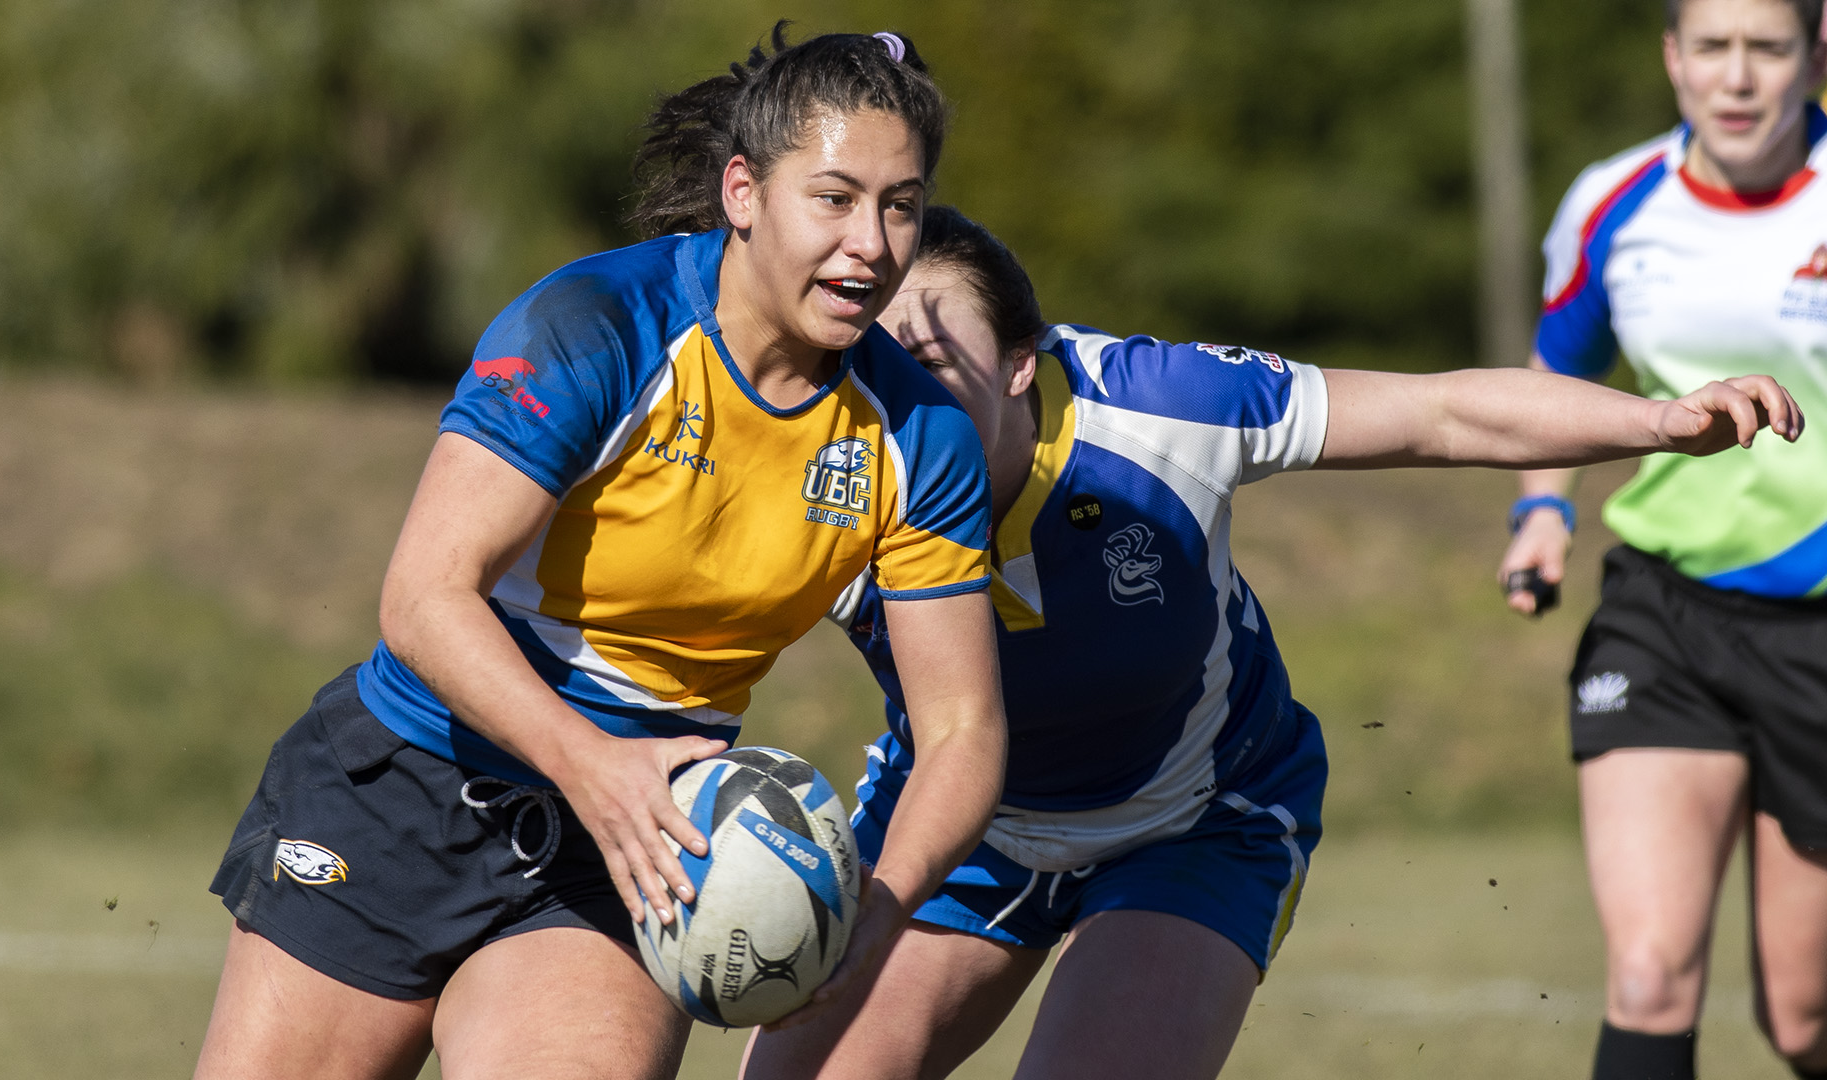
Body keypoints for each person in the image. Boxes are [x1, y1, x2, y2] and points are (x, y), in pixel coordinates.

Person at [740, 204, 1804, 1080]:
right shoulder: (820, 473)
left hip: (1198, 819)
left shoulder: (1156, 407)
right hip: (959, 824)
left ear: (1024, 362)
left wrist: (1655, 423)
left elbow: (1440, 417)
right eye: (876, 362)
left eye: (932, 358)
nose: (901, 398)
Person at [191, 29, 1009, 1080]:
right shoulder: (600, 325)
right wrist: (589, 766)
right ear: (744, 192)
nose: (872, 243)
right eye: (836, 198)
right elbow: (425, 596)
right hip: (408, 783)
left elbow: (964, 726)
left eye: (902, 205)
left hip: (636, 851)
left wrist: (882, 911)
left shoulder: (918, 436)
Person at [1496, 0, 1827, 1076]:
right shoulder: (1613, 201)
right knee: (1648, 974)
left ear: (1816, 55)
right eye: (1714, 48)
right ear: (1674, 58)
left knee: (1805, 1018)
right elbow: (1562, 377)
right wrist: (1542, 508)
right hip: (1664, 614)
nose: (1738, 78)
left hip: (1818, 634)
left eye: (1768, 48)